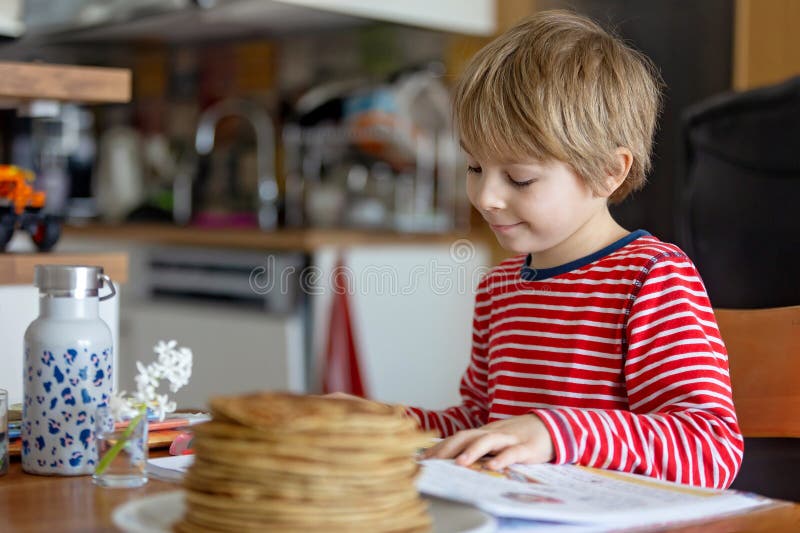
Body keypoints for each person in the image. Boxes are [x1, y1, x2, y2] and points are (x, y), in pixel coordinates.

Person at [406, 10, 743, 490]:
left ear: (608, 172)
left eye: (519, 177)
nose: (485, 197)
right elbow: (481, 426)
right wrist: (387, 421)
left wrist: (552, 431)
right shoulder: (499, 289)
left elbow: (708, 448)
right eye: (475, 167)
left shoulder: (650, 279)